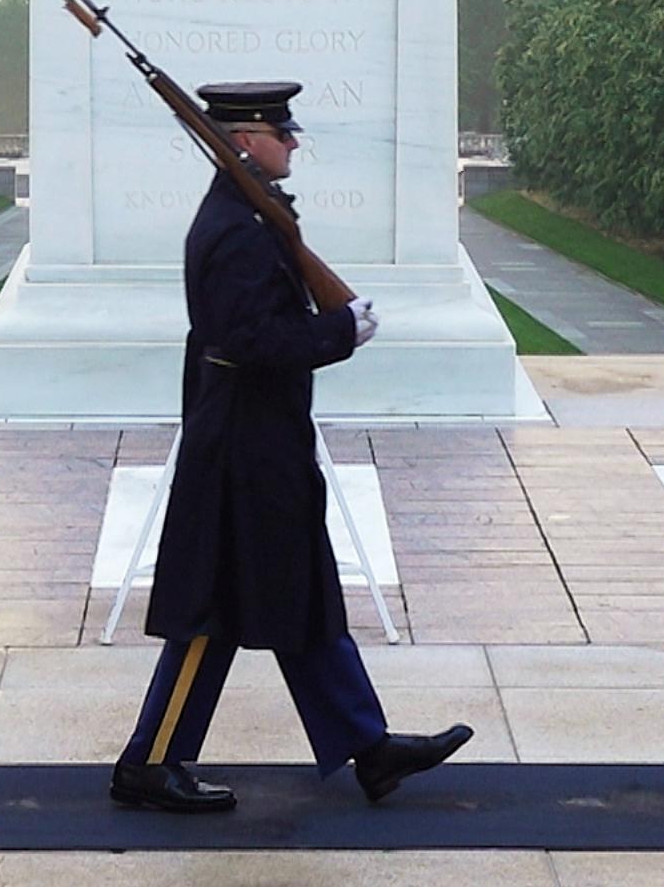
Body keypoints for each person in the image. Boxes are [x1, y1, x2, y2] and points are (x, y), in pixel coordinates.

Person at [109, 81, 472, 814]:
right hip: (242, 450)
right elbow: (249, 339)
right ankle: (149, 761)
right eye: (282, 133)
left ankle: (369, 748)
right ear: (244, 141)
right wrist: (340, 332)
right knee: (213, 609)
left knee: (300, 595)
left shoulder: (250, 215)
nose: (294, 142)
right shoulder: (238, 230)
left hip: (262, 437)